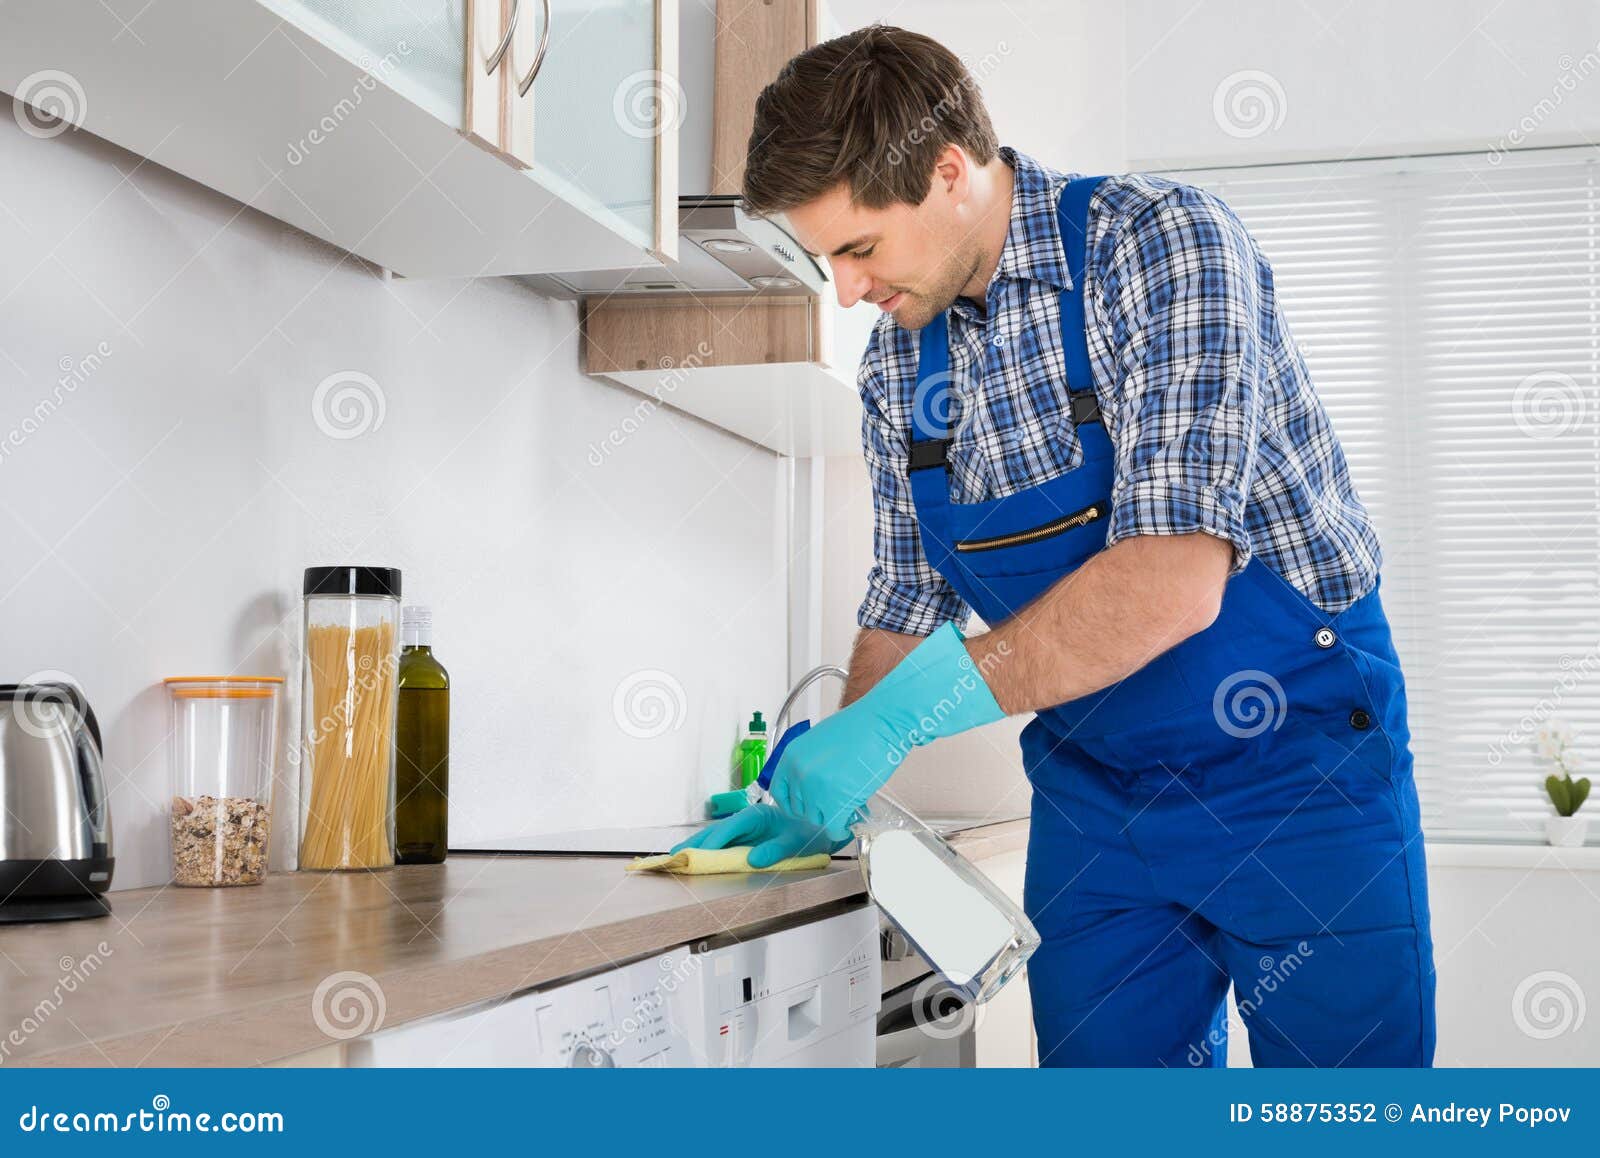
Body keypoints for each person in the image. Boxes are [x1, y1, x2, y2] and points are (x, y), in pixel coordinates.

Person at [676, 24, 1435, 1068]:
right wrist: (827, 776)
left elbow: (1171, 583)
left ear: (949, 172)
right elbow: (904, 606)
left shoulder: (1162, 244)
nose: (843, 292)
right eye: (825, 260)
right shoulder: (900, 371)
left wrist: (890, 728)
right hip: (1098, 803)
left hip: (1296, 777)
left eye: (856, 248)